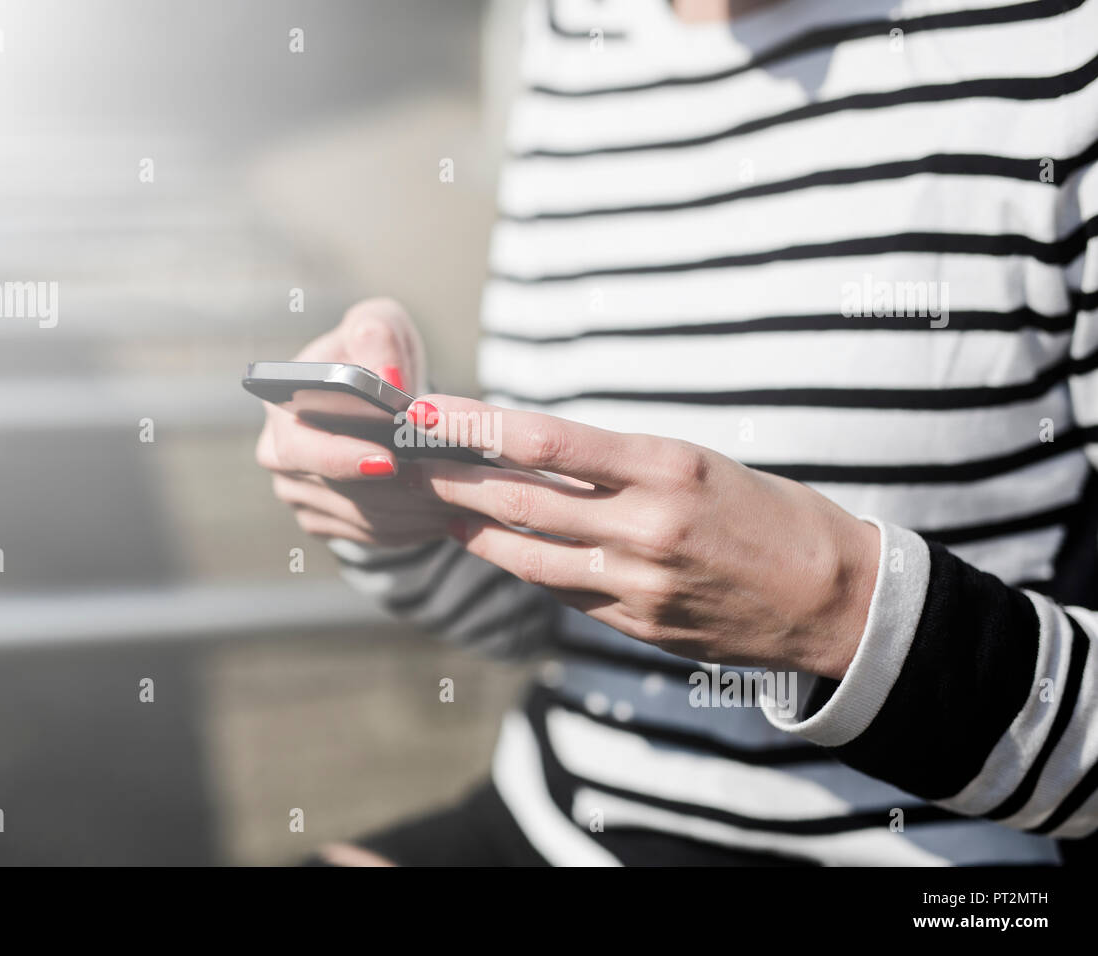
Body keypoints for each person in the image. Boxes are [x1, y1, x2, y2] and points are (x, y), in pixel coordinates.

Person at [254, 0, 1098, 865]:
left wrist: (842, 613)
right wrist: (412, 515)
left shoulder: (1064, 48)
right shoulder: (569, 30)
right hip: (560, 821)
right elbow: (538, 629)